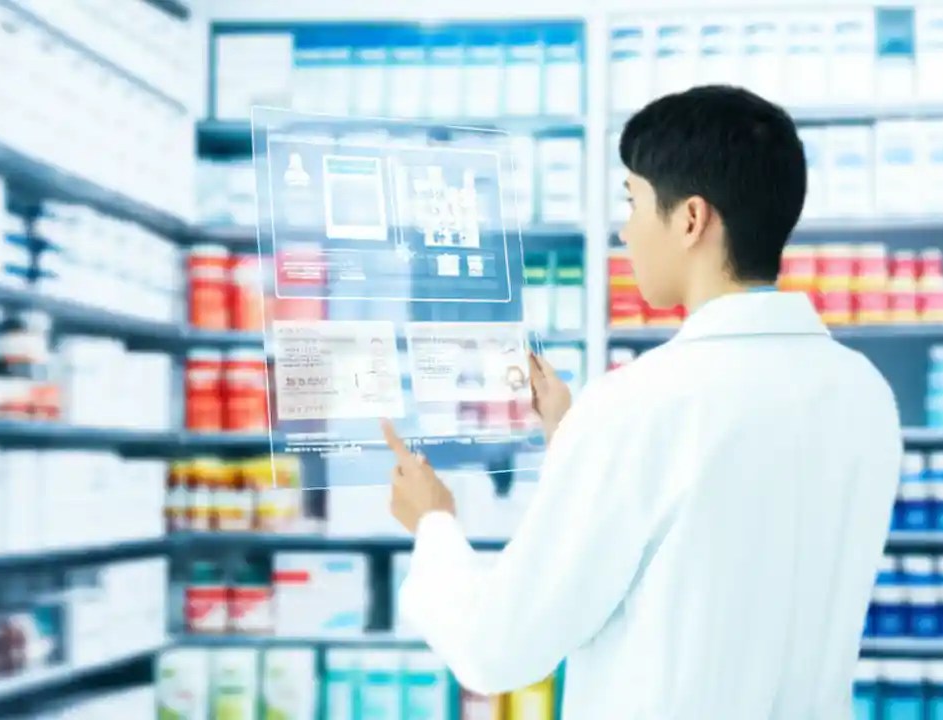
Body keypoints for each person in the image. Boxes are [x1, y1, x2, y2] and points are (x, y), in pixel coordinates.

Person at [381, 85, 902, 719]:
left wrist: (432, 524)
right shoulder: (862, 392)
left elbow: (497, 648)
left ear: (690, 219)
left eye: (632, 201)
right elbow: (716, 537)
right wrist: (575, 442)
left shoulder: (640, 404)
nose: (625, 229)